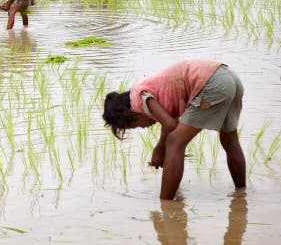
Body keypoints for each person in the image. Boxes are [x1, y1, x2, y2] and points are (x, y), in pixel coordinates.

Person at [102, 58, 246, 200]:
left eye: (135, 125)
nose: (143, 127)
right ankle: (242, 194)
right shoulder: (147, 90)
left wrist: (159, 149)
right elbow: (173, 123)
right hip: (228, 77)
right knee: (229, 140)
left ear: (130, 114)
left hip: (211, 83)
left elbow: (170, 124)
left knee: (173, 142)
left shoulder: (138, 98)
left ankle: (166, 206)